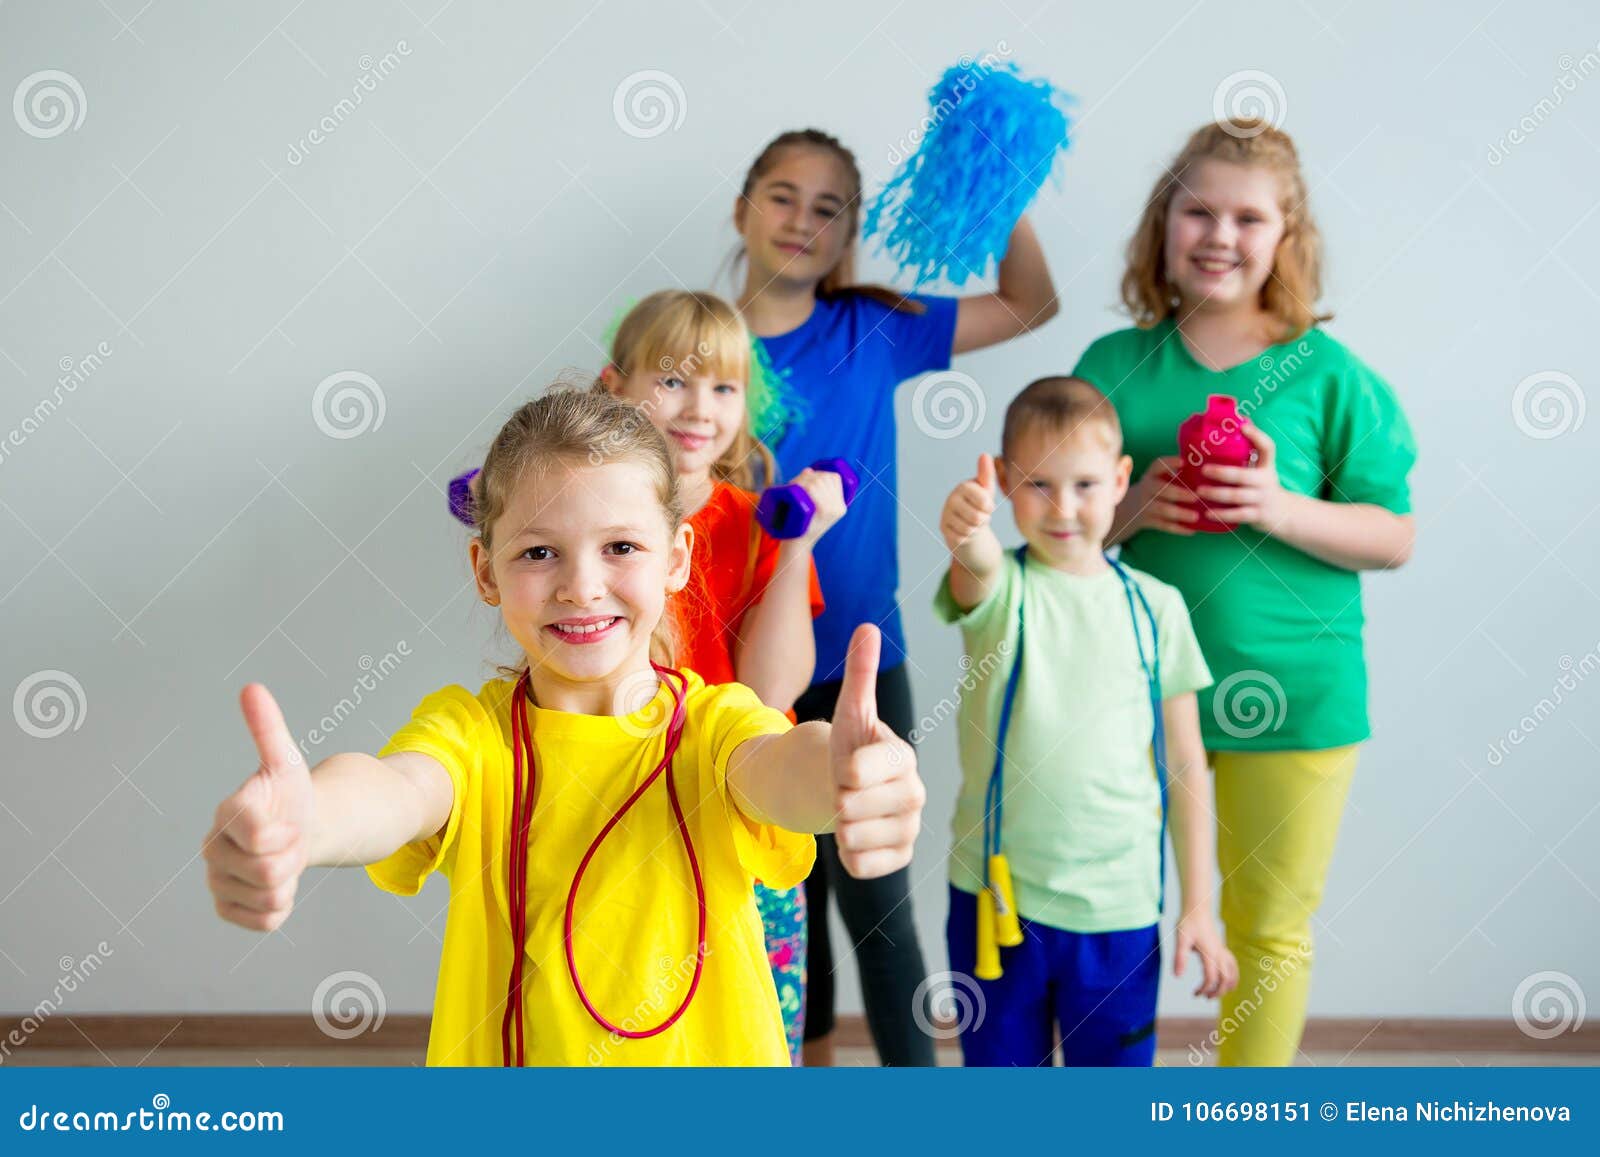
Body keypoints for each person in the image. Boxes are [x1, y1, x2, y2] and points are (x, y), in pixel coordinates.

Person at [201, 387, 924, 1066]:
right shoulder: (472, 734)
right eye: (539, 551)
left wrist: (844, 776)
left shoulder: (715, 725)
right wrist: (307, 820)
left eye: (621, 547)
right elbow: (395, 789)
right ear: (486, 570)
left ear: (675, 559)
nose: (581, 584)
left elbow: (782, 767)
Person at [1072, 119, 1418, 1065]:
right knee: (1107, 916)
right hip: (1127, 689)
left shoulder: (1332, 376)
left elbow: (1395, 537)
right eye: (1199, 211)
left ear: (1287, 235)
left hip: (1298, 697)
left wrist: (1276, 504)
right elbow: (1050, 534)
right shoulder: (1110, 366)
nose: (1220, 235)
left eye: (1248, 217)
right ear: (1164, 224)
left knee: (1269, 931)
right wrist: (1126, 510)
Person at [731, 126, 1059, 1066]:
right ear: (744, 206)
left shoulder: (873, 328)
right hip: (739, 669)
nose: (802, 221)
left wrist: (997, 181)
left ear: (849, 233)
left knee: (874, 904)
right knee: (772, 902)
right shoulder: (699, 343)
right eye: (784, 195)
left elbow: (1033, 303)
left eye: (828, 208)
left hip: (864, 665)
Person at [935, 376, 1237, 1065]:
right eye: (1038, 484)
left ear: (1122, 478)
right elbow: (973, 567)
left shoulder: (1157, 608)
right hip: (996, 905)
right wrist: (968, 529)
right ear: (1006, 482)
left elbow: (1187, 764)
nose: (1063, 507)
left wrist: (1198, 906)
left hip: (1119, 912)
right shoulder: (1002, 587)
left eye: (1085, 484)